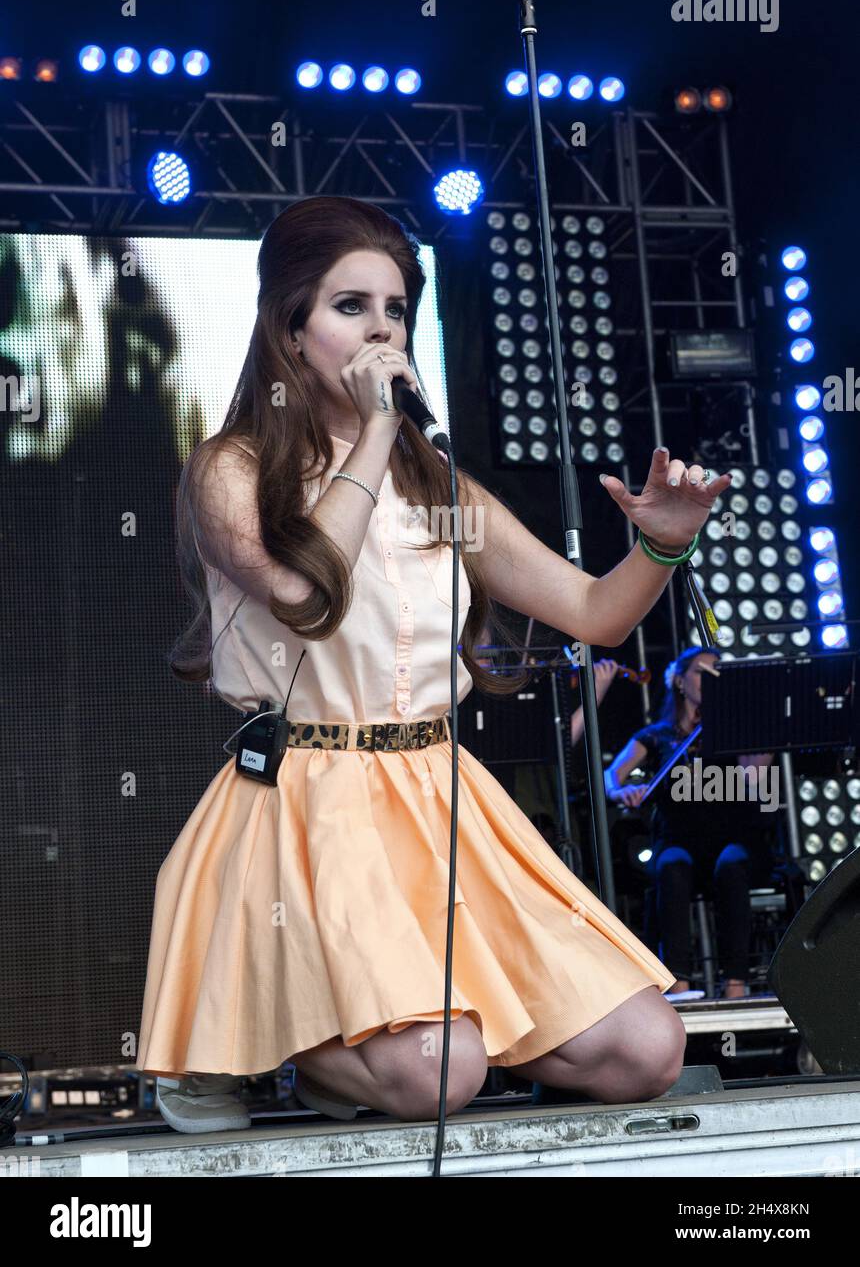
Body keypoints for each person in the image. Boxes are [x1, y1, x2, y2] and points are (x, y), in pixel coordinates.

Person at [135, 194, 733, 1133]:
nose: (381, 330)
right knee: (437, 1074)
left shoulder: (436, 486)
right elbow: (305, 590)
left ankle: (440, 1039)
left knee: (648, 1050)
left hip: (438, 794)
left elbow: (591, 613)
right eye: (349, 307)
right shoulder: (232, 469)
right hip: (310, 799)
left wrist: (661, 547)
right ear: (291, 334)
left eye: (396, 310)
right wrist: (377, 429)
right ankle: (297, 1056)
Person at [604, 647, 777, 1001]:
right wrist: (625, 792)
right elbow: (611, 776)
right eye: (702, 673)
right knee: (671, 865)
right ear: (680, 682)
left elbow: (751, 779)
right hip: (678, 839)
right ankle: (678, 984)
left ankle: (736, 984)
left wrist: (749, 724)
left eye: (718, 675)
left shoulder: (732, 728)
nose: (711, 680)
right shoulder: (658, 735)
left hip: (733, 839)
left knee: (731, 864)